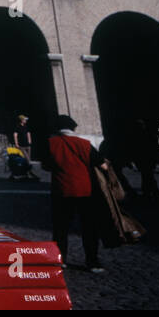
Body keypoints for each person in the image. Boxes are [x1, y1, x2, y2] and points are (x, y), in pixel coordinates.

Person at [43, 115, 110, 272]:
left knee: (60, 227)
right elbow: (103, 166)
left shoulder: (50, 144)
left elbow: (46, 166)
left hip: (61, 190)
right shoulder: (85, 144)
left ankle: (60, 259)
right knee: (89, 228)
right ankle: (92, 261)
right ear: (73, 128)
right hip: (85, 190)